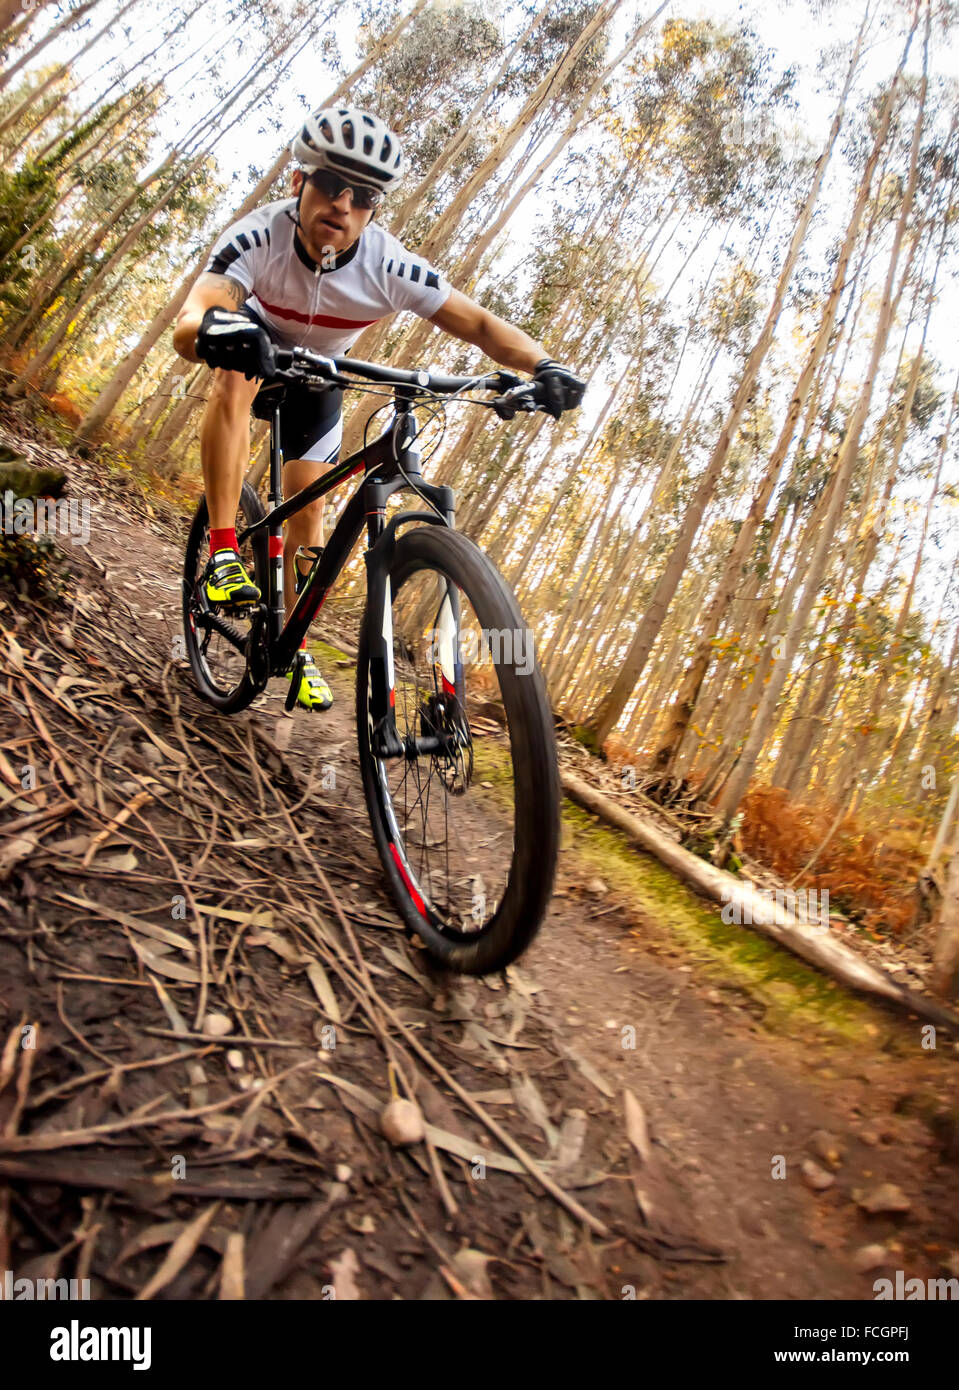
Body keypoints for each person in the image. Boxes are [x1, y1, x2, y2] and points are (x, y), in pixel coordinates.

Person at [173, 106, 584, 710]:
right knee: (234, 374)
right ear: (298, 184)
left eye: (362, 195)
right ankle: (226, 548)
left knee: (310, 523)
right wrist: (212, 328)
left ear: (374, 210)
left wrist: (543, 364)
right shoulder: (259, 235)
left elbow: (477, 323)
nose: (343, 204)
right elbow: (195, 312)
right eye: (331, 184)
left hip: (321, 375)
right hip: (253, 347)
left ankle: (298, 646)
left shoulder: (386, 263)